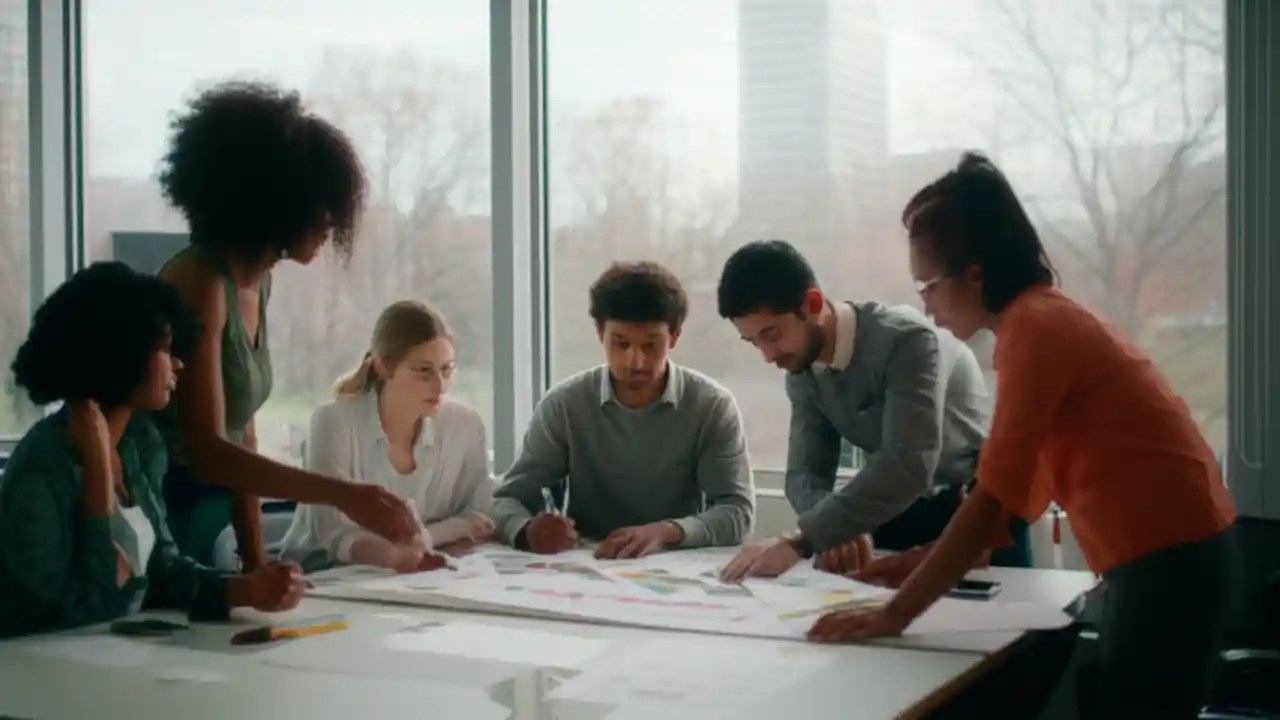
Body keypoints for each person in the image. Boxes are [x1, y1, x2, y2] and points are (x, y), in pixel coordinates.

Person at [807, 153, 1238, 718]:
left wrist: (896, 614)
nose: (927, 308)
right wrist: (921, 558)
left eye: (929, 287)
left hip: (1169, 560)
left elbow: (992, 499)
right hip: (1175, 554)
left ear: (976, 273)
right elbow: (1021, 494)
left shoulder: (1035, 328)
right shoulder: (1038, 321)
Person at [152, 80, 416, 570]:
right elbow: (210, 452)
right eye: (322, 210)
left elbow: (242, 434)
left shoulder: (258, 281)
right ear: (276, 202)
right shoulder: (199, 283)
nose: (331, 226)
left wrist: (258, 564)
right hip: (162, 510)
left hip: (207, 511)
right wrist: (342, 494)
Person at [0, 263, 306, 638]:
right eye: (163, 348)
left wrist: (246, 589)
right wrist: (98, 482)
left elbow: (161, 567)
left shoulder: (139, 443)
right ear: (118, 354)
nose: (177, 362)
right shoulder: (41, 472)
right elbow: (80, 614)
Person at [716, 239, 1007, 582]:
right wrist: (836, 530)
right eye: (754, 342)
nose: (768, 355)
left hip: (978, 513)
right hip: (891, 514)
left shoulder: (907, 341)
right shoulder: (801, 369)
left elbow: (908, 465)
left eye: (772, 334)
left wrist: (802, 539)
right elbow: (804, 476)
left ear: (811, 303)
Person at [492, 261, 755, 558]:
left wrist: (665, 531)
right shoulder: (565, 404)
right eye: (620, 343)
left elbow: (737, 512)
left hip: (675, 560)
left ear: (675, 336)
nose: (635, 362)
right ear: (599, 332)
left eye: (651, 345)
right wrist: (528, 530)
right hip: (586, 559)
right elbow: (508, 499)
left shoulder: (711, 406)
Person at [280, 301, 495, 571]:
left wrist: (424, 540)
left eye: (447, 369)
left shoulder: (466, 424)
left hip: (423, 575)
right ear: (383, 366)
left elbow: (483, 515)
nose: (440, 385)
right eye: (424, 371)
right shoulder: (333, 423)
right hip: (324, 573)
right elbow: (334, 534)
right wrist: (401, 556)